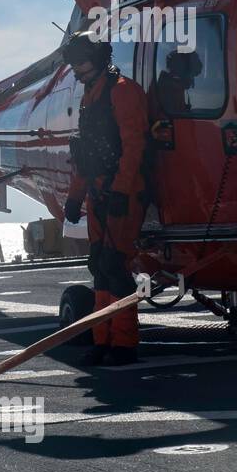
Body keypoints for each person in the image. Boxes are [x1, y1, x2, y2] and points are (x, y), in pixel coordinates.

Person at [61, 32, 150, 366]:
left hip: (120, 193)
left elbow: (134, 146)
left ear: (98, 59)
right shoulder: (91, 96)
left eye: (81, 63)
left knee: (115, 265)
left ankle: (124, 344)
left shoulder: (124, 93)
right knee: (98, 265)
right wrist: (75, 198)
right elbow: (86, 155)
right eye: (74, 65)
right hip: (99, 193)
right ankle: (102, 338)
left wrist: (122, 192)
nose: (77, 71)